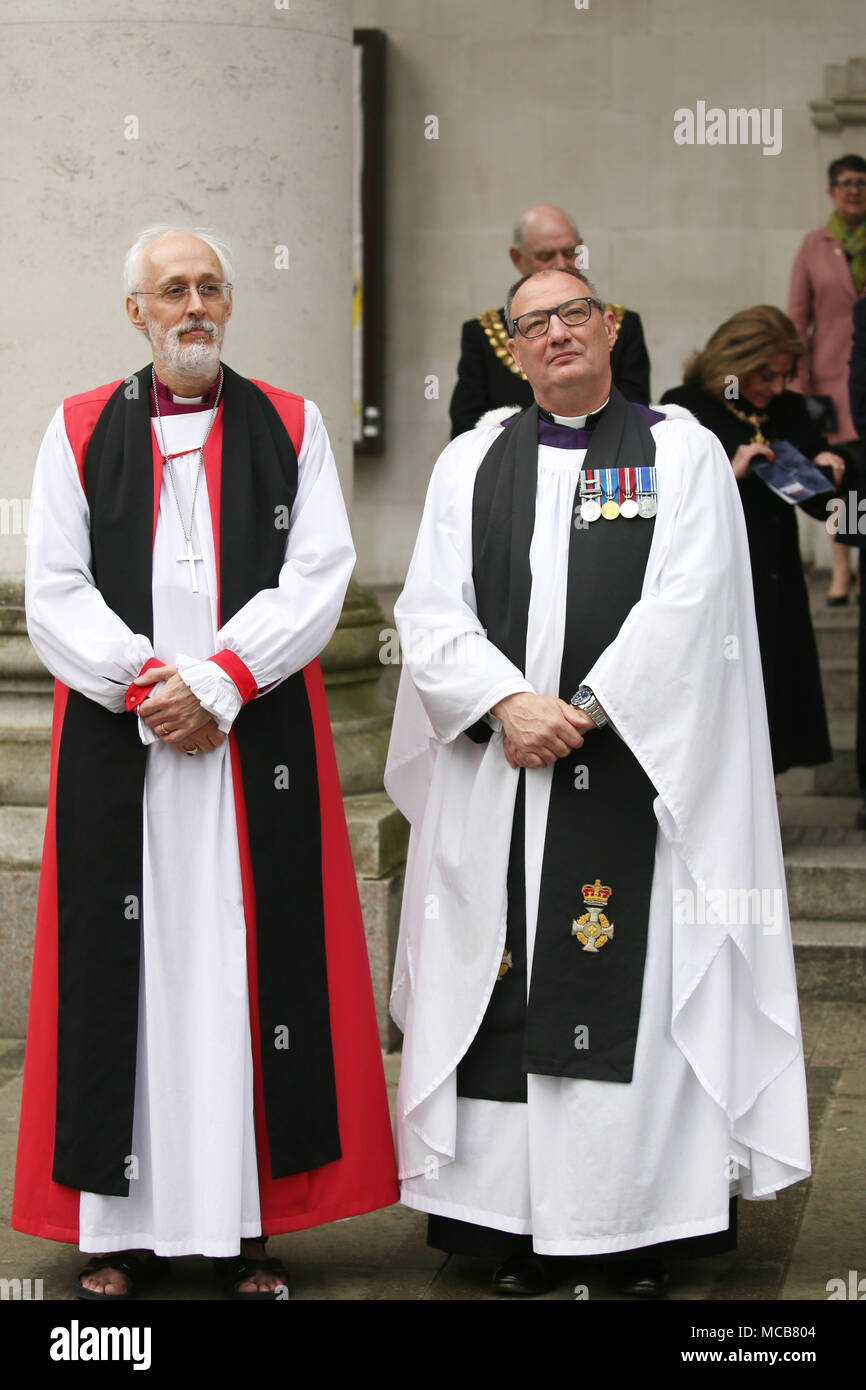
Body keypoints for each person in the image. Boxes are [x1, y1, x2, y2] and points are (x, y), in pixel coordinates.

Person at [385, 266, 810, 1298]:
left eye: (573, 313)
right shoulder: (469, 461)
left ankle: (631, 1226)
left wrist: (581, 705)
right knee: (505, 988)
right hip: (503, 782)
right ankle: (511, 1231)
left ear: (608, 326)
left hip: (634, 779)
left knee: (632, 986)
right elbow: (429, 610)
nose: (556, 334)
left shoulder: (680, 450)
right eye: (532, 323)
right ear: (512, 349)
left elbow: (689, 604)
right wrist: (503, 702)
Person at [12, 225, 399, 1299]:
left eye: (211, 288)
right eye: (172, 290)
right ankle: (118, 1232)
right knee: (124, 980)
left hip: (248, 743)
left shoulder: (291, 423)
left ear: (230, 303)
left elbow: (319, 572)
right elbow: (54, 589)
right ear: (134, 311)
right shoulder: (81, 428)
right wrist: (149, 688)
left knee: (243, 975)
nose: (195, 306)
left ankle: (238, 1228)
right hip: (126, 747)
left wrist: (225, 677)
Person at [662, 306, 844, 777]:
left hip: (776, 574)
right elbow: (668, 496)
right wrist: (731, 469)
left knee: (774, 693)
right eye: (766, 375)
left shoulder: (788, 409)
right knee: (719, 696)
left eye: (785, 376)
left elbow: (818, 505)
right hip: (713, 575)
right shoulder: (686, 406)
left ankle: (767, 806)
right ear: (734, 362)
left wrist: (830, 470)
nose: (776, 387)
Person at [448, 204, 651, 438]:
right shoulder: (484, 333)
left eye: (569, 253)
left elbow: (635, 415)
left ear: (608, 328)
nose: (561, 264)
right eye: (545, 256)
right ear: (517, 258)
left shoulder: (626, 325)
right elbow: (468, 432)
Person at [788, 154, 866, 604]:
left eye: (861, 182)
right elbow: (798, 320)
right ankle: (841, 570)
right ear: (832, 191)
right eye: (846, 182)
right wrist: (799, 387)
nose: (854, 189)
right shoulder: (813, 245)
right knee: (843, 480)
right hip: (834, 382)